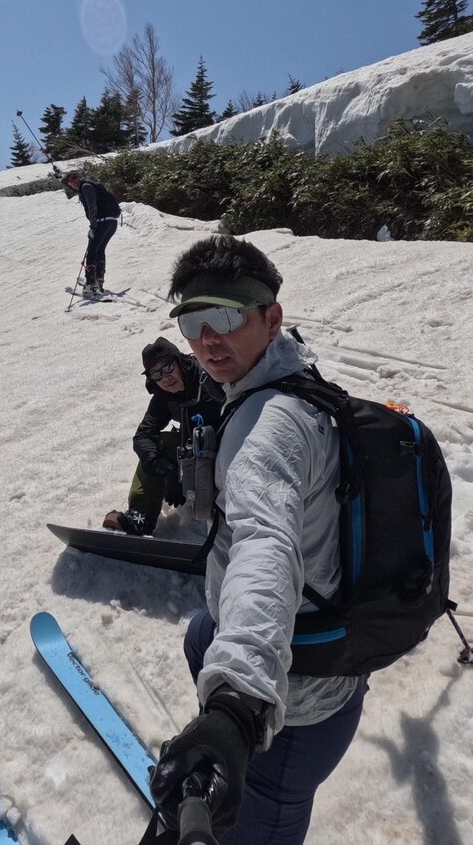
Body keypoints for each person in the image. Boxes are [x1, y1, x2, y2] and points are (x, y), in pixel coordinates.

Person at [148, 235, 367, 845]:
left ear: (273, 318)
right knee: (200, 633)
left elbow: (264, 547)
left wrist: (236, 708)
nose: (207, 341)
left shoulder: (266, 428)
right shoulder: (297, 381)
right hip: (325, 656)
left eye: (225, 316)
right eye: (193, 322)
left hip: (293, 709)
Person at [103, 337, 223, 536]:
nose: (165, 377)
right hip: (201, 460)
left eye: (168, 367)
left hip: (233, 451)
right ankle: (140, 517)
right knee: (160, 444)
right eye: (156, 374)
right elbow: (143, 437)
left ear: (180, 361)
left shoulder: (212, 377)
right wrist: (167, 471)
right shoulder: (164, 397)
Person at [64, 169, 119, 297]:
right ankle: (98, 281)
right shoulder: (90, 185)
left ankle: (90, 284)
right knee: (99, 250)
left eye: (74, 179)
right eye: (70, 182)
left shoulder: (86, 187)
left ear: (79, 178)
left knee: (92, 251)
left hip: (102, 222)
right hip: (111, 222)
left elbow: (92, 206)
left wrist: (93, 226)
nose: (72, 183)